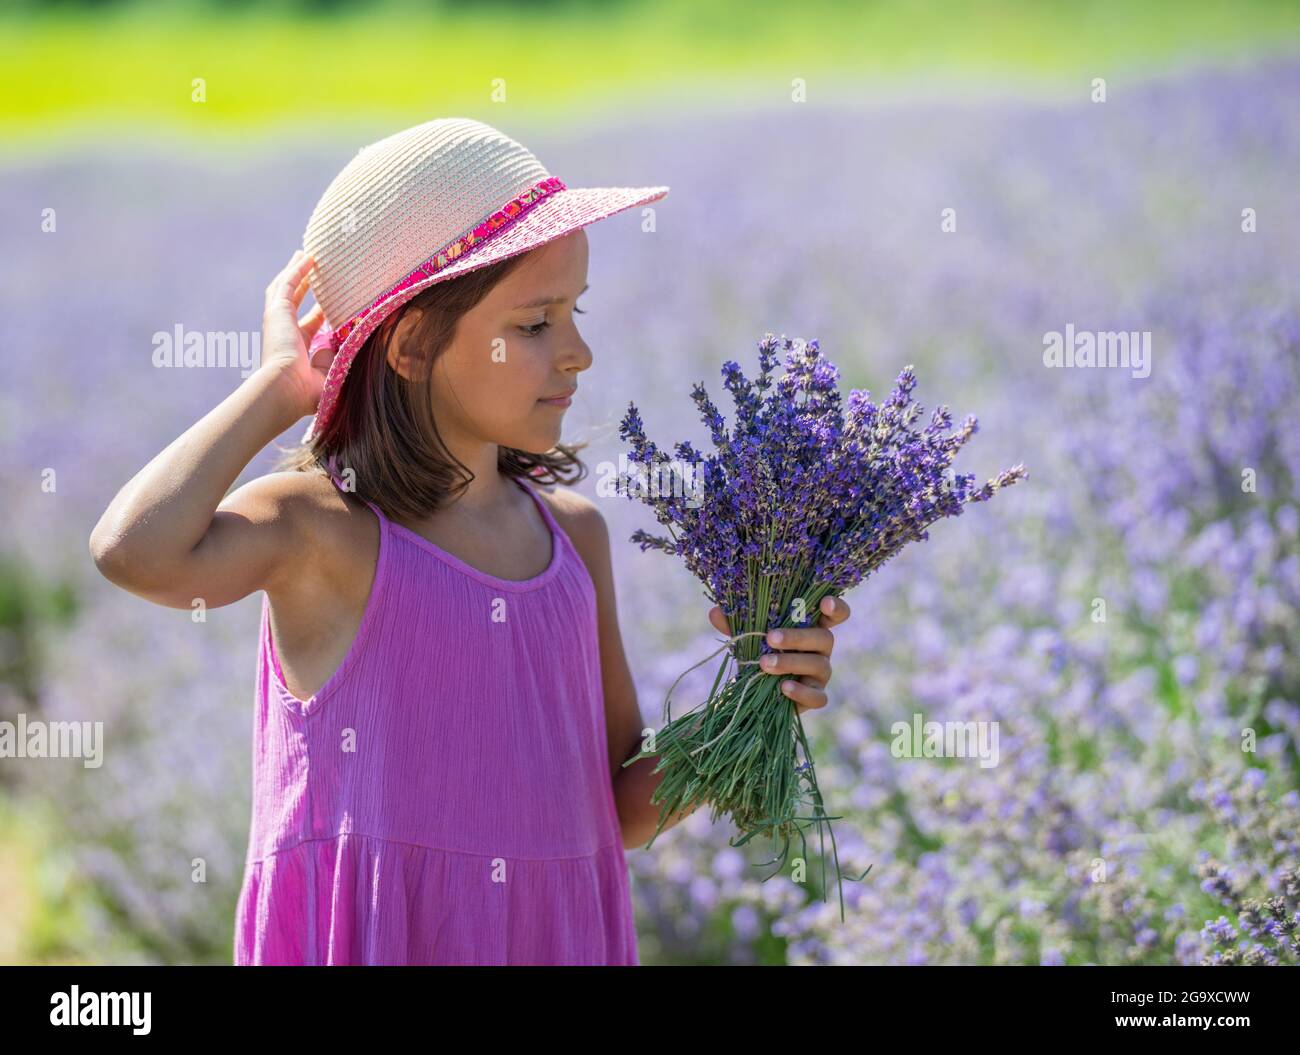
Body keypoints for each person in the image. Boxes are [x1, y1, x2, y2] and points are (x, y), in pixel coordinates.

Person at [89, 117, 849, 965]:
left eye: (575, 314)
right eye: (535, 325)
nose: (579, 353)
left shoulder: (571, 538)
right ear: (413, 344)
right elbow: (133, 549)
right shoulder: (321, 532)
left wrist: (751, 701)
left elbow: (620, 806)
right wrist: (278, 387)